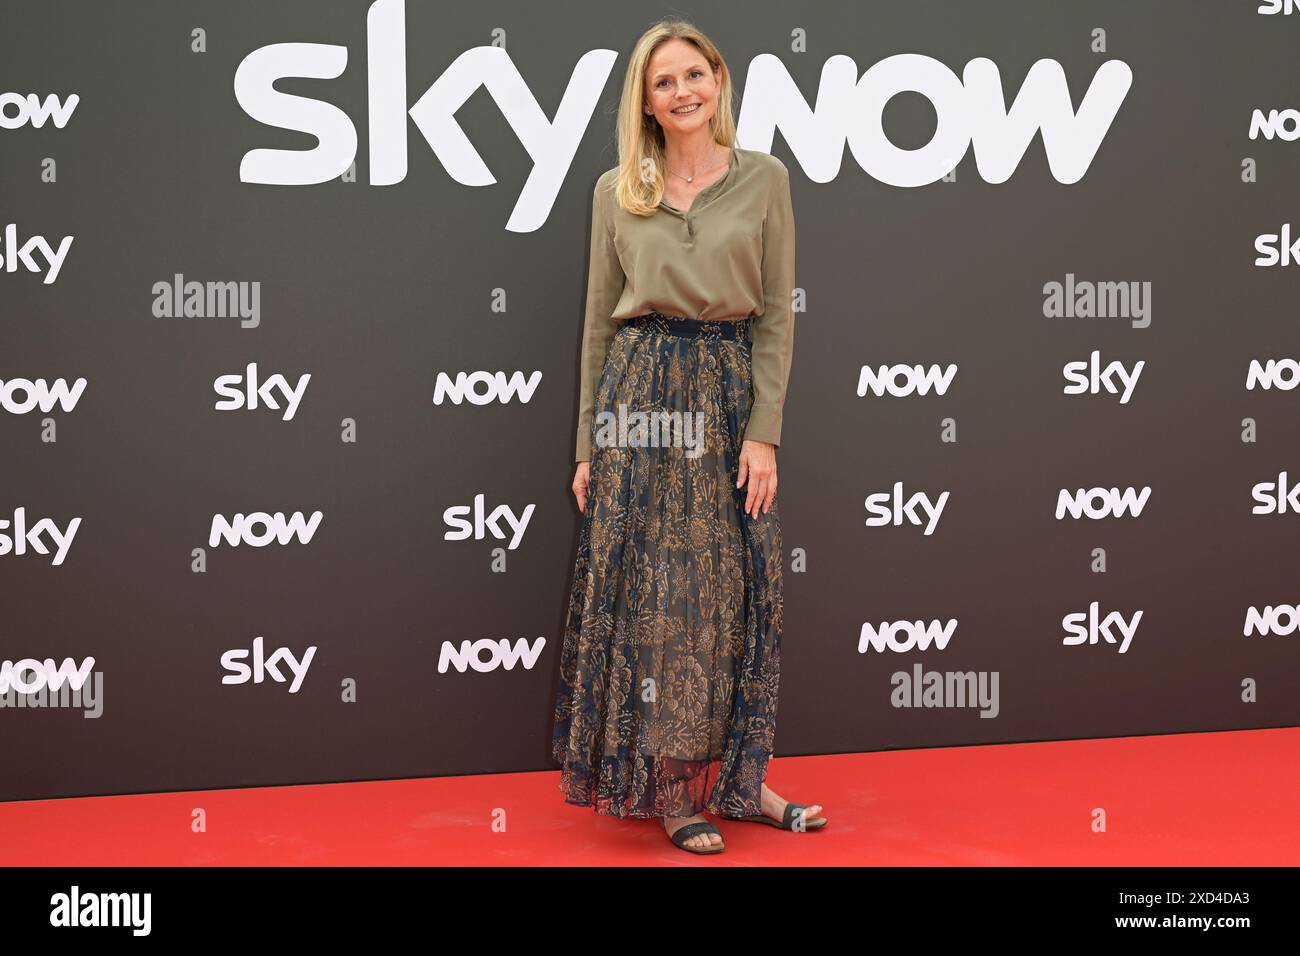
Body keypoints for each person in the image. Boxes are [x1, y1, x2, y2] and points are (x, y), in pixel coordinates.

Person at [550, 17, 826, 855]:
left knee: (739, 592)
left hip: (726, 388)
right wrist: (589, 446)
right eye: (663, 81)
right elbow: (599, 324)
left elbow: (776, 314)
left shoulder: (766, 178)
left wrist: (764, 433)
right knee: (660, 597)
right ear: (645, 99)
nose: (681, 92)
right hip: (640, 393)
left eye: (693, 75)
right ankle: (673, 789)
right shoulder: (616, 191)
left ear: (719, 80)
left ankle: (744, 780)